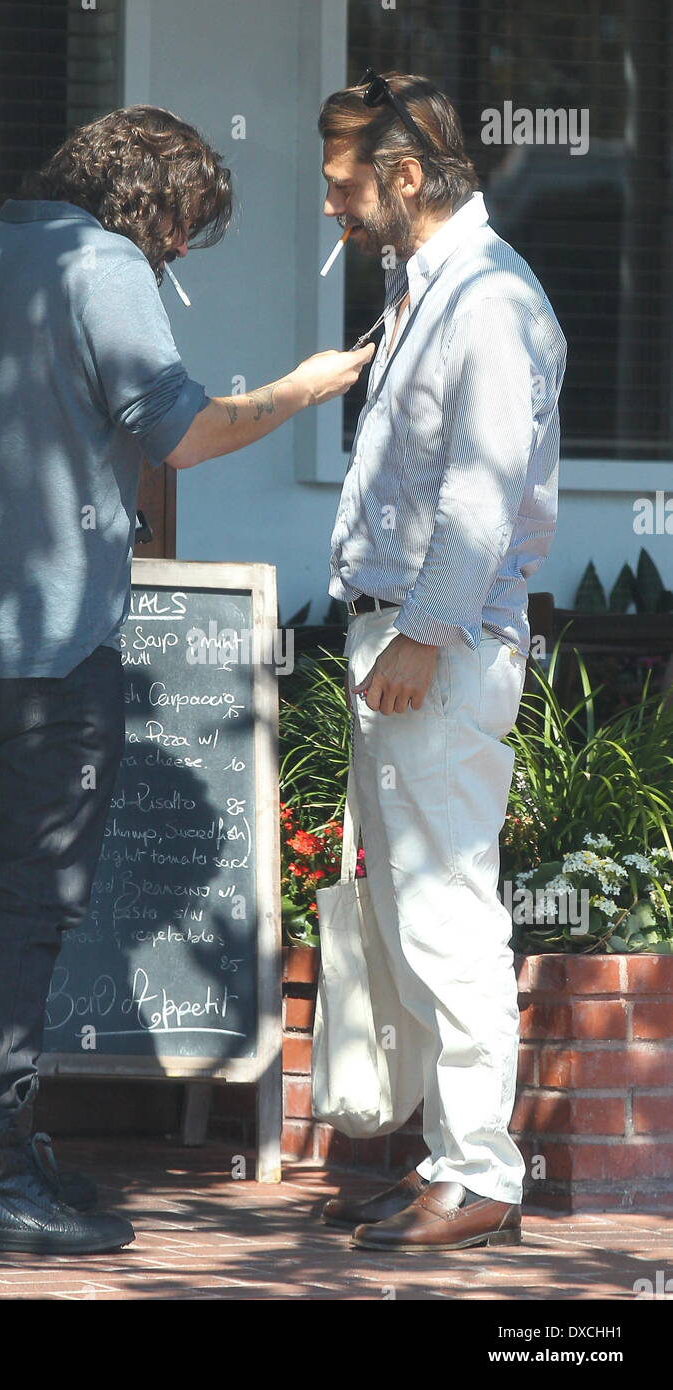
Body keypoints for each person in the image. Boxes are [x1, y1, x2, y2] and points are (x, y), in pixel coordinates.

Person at [0, 104, 374, 1256]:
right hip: (48, 649)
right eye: (182, 225)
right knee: (19, 912)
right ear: (145, 198)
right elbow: (178, 432)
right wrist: (298, 390)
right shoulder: (104, 263)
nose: (177, 253)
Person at [316, 71, 566, 1251]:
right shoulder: (420, 287)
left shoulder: (485, 300)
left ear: (403, 176)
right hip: (403, 637)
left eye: (343, 183)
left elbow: (478, 497)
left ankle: (479, 1175)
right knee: (406, 912)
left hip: (440, 644)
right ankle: (446, 1163)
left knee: (446, 912)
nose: (331, 208)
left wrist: (418, 634)